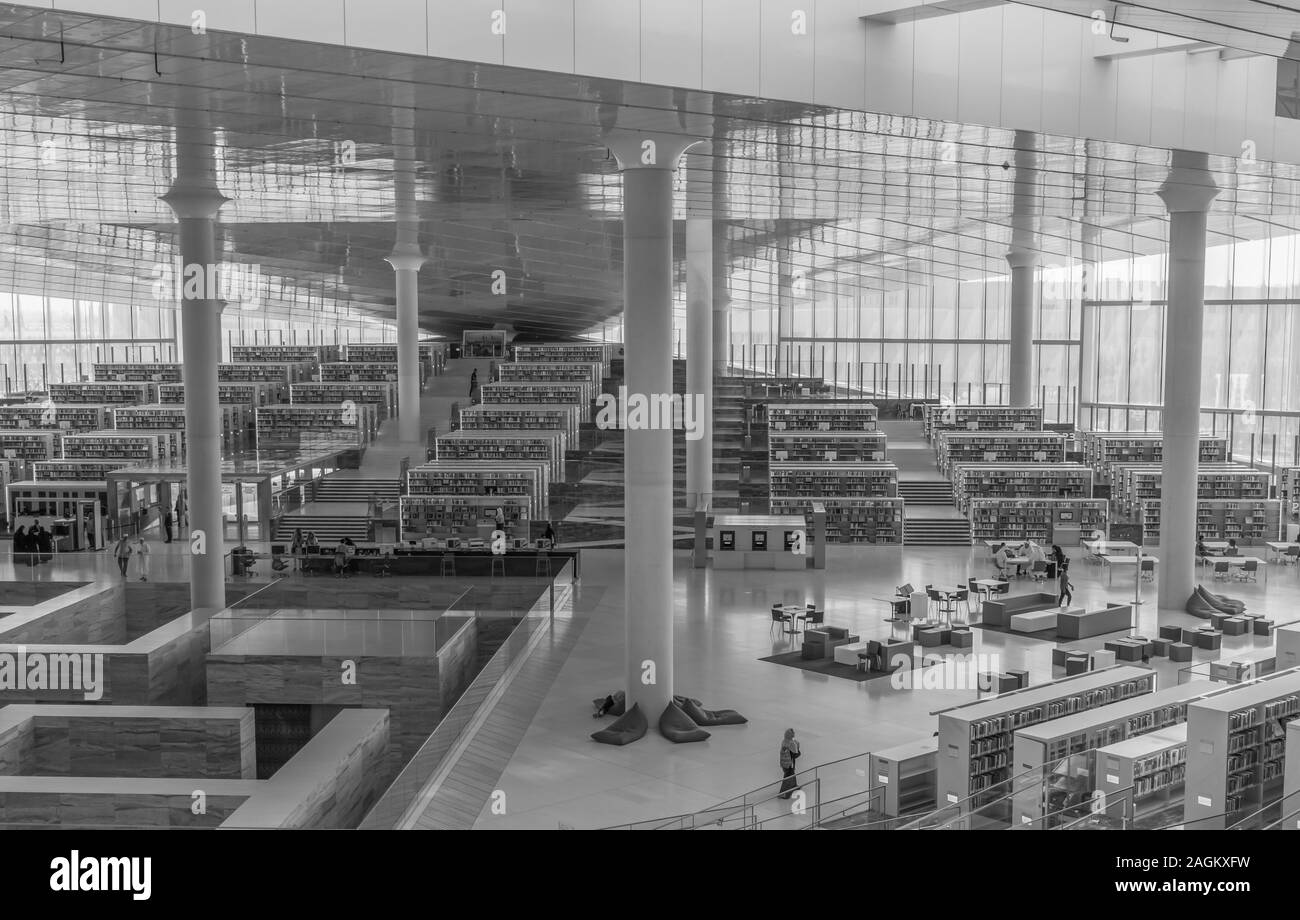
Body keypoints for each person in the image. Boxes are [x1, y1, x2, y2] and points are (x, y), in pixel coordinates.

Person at [778, 729, 801, 799]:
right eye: (793, 733)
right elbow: (797, 754)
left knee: (791, 773)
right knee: (788, 776)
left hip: (783, 762)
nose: (794, 734)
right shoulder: (792, 743)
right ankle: (784, 793)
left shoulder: (784, 741)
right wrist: (797, 745)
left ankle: (794, 785)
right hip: (789, 763)